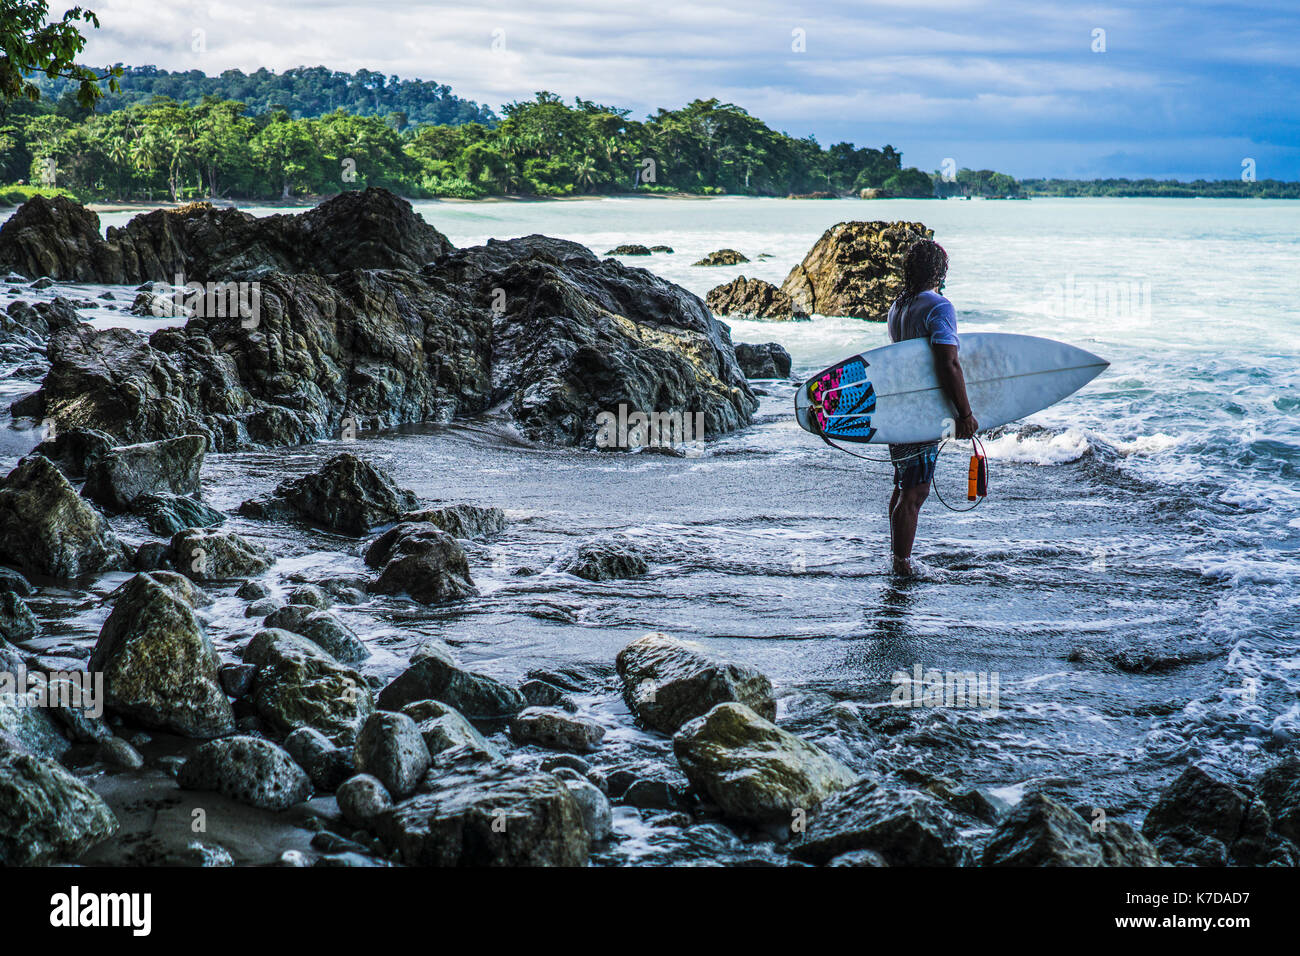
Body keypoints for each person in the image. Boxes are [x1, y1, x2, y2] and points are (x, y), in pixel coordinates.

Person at [886, 239, 978, 576]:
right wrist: (965, 414)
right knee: (916, 490)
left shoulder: (898, 306)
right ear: (939, 271)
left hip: (899, 407)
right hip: (922, 412)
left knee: (902, 486)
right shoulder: (939, 307)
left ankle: (898, 557)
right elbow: (948, 363)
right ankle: (902, 565)